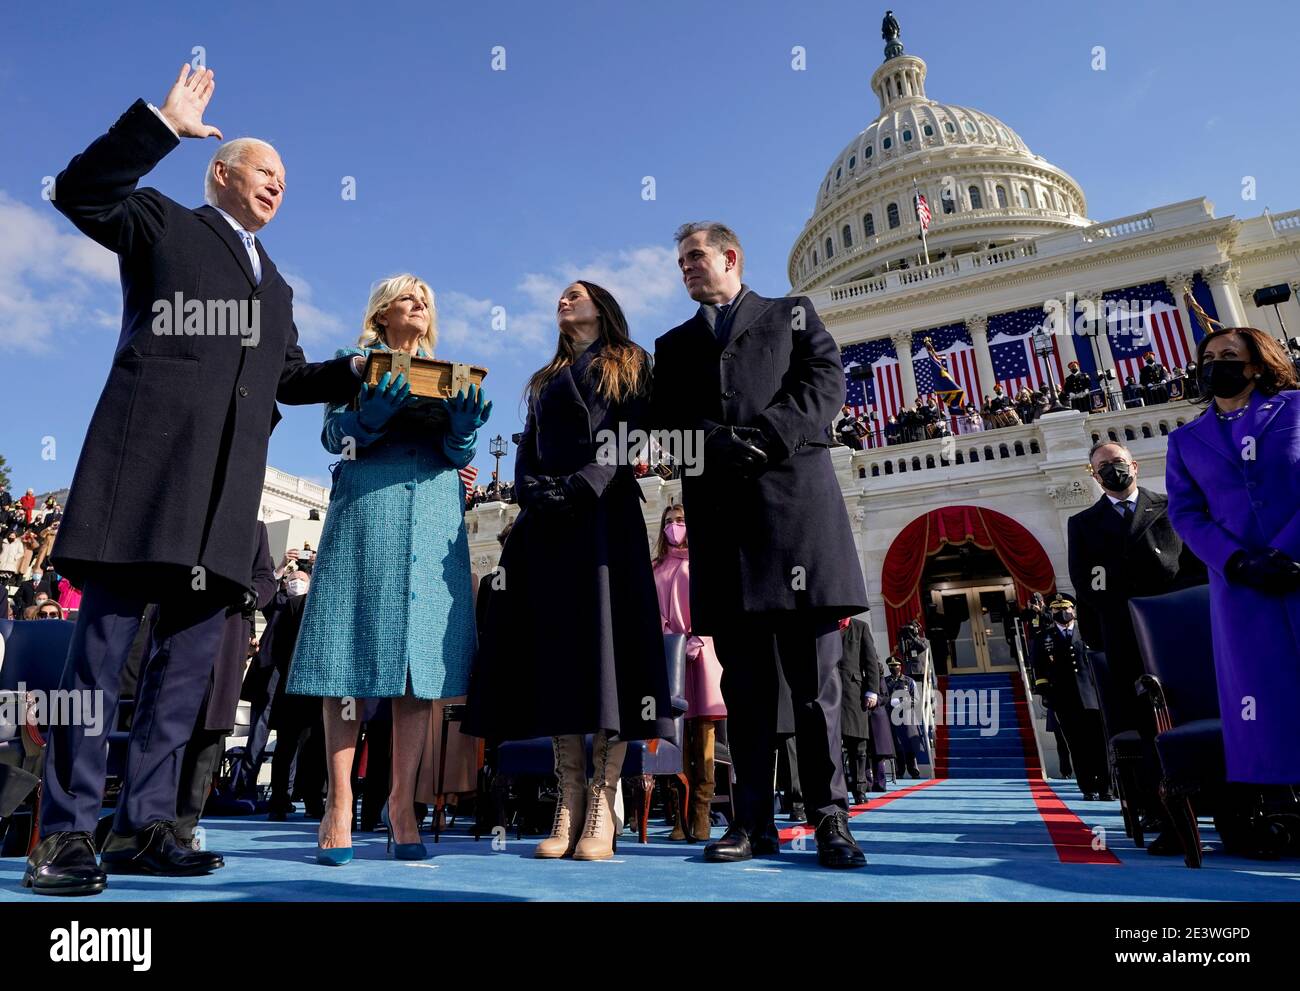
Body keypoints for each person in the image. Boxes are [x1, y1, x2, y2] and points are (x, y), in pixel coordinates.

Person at [24, 65, 363, 897]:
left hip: (222, 505)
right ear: (221, 171)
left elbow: (286, 376)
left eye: (286, 176)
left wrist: (359, 370)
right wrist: (160, 125)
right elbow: (79, 189)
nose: (279, 181)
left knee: (180, 676)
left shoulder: (277, 284)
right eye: (264, 168)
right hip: (142, 478)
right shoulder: (161, 221)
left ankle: (147, 826)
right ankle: (64, 833)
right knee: (100, 663)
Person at [650, 222, 869, 868]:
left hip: (797, 520)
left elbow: (824, 384)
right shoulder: (673, 345)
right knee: (744, 693)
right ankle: (752, 823)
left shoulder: (791, 314)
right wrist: (716, 444)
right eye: (680, 261)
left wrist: (767, 435)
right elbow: (666, 424)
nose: (686, 267)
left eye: (695, 256)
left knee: (814, 687)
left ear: (730, 256)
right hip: (725, 532)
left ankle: (830, 818)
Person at [464, 280, 672, 862]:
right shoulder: (545, 378)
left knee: (606, 652)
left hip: (604, 518)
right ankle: (569, 794)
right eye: (561, 294)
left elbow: (630, 432)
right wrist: (533, 491)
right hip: (548, 525)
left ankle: (602, 802)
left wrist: (584, 485)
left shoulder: (631, 363)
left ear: (601, 307)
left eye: (576, 293)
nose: (564, 299)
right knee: (557, 654)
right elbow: (528, 443)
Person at [287, 274, 490, 865]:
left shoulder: (450, 375)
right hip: (367, 511)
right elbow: (332, 438)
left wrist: (463, 431)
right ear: (381, 314)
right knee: (347, 659)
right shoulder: (355, 368)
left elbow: (457, 457)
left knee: (417, 664)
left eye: (426, 298)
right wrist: (365, 421)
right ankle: (338, 800)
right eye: (408, 297)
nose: (420, 305)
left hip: (431, 517)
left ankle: (403, 805)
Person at [1165, 326, 1300, 785]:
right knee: (1263, 690)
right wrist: (1238, 561)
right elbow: (1186, 514)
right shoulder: (1184, 441)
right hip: (1242, 587)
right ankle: (1279, 795)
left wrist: (1284, 551)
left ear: (1256, 365)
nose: (1214, 365)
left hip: (1297, 566)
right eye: (1206, 359)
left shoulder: (1296, 409)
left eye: (1227, 355)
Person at [1067, 440, 1207, 850]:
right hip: (1127, 634)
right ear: (1093, 476)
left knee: (1193, 712)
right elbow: (1089, 584)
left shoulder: (1169, 506)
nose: (1113, 471)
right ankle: (1166, 814)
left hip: (1179, 631)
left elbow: (1193, 567)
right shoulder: (1084, 523)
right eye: (1103, 467)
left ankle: (1225, 806)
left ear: (1135, 463)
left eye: (1118, 463)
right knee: (1148, 726)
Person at [174, 522, 277, 847]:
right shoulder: (191, 516)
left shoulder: (254, 529)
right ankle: (148, 820)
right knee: (170, 725)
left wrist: (251, 596)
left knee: (211, 730)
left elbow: (265, 578)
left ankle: (184, 827)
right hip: (179, 629)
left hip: (228, 635)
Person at [652, 504, 725, 841]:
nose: (674, 527)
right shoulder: (654, 568)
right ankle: (679, 817)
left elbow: (711, 603)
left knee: (704, 734)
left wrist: (697, 636)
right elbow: (652, 612)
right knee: (675, 737)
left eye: (680, 520)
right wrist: (671, 639)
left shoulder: (703, 563)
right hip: (670, 657)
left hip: (702, 652)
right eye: (668, 522)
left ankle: (702, 812)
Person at [1029, 595, 1110, 800]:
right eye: (1057, 610)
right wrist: (1046, 693)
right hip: (1064, 700)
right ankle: (1088, 788)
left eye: (1066, 609)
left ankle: (1106, 787)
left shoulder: (1088, 632)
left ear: (1073, 610)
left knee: (1099, 744)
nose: (1062, 613)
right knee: (1077, 745)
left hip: (1093, 698)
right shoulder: (1043, 638)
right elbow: (1039, 668)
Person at [884, 658, 923, 778]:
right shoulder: (885, 681)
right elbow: (883, 697)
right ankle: (899, 770)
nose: (894, 668)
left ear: (900, 667)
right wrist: (890, 701)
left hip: (906, 716)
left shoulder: (908, 681)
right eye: (891, 666)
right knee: (896, 744)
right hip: (892, 717)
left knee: (909, 743)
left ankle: (913, 770)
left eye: (896, 666)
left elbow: (916, 699)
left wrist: (901, 702)